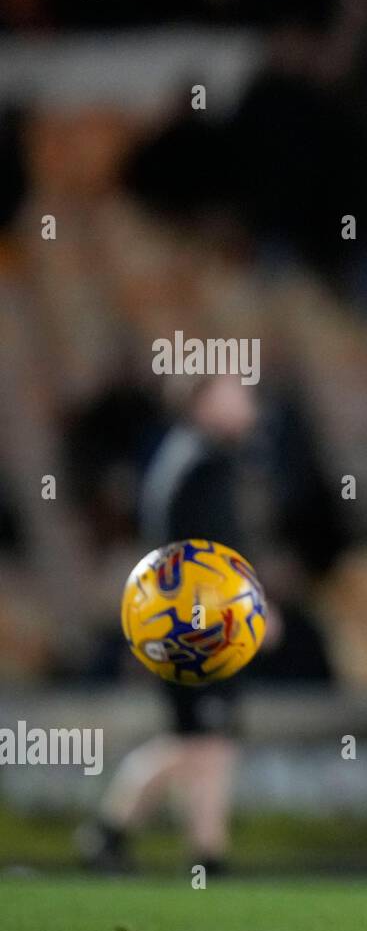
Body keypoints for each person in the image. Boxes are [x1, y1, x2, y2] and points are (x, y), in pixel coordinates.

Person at [80, 375, 271, 876]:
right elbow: (204, 559)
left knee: (199, 736)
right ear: (204, 400)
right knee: (207, 736)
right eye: (236, 392)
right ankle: (205, 853)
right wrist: (246, 613)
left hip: (182, 621)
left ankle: (120, 834)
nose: (248, 402)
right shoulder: (202, 463)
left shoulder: (187, 456)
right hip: (197, 625)